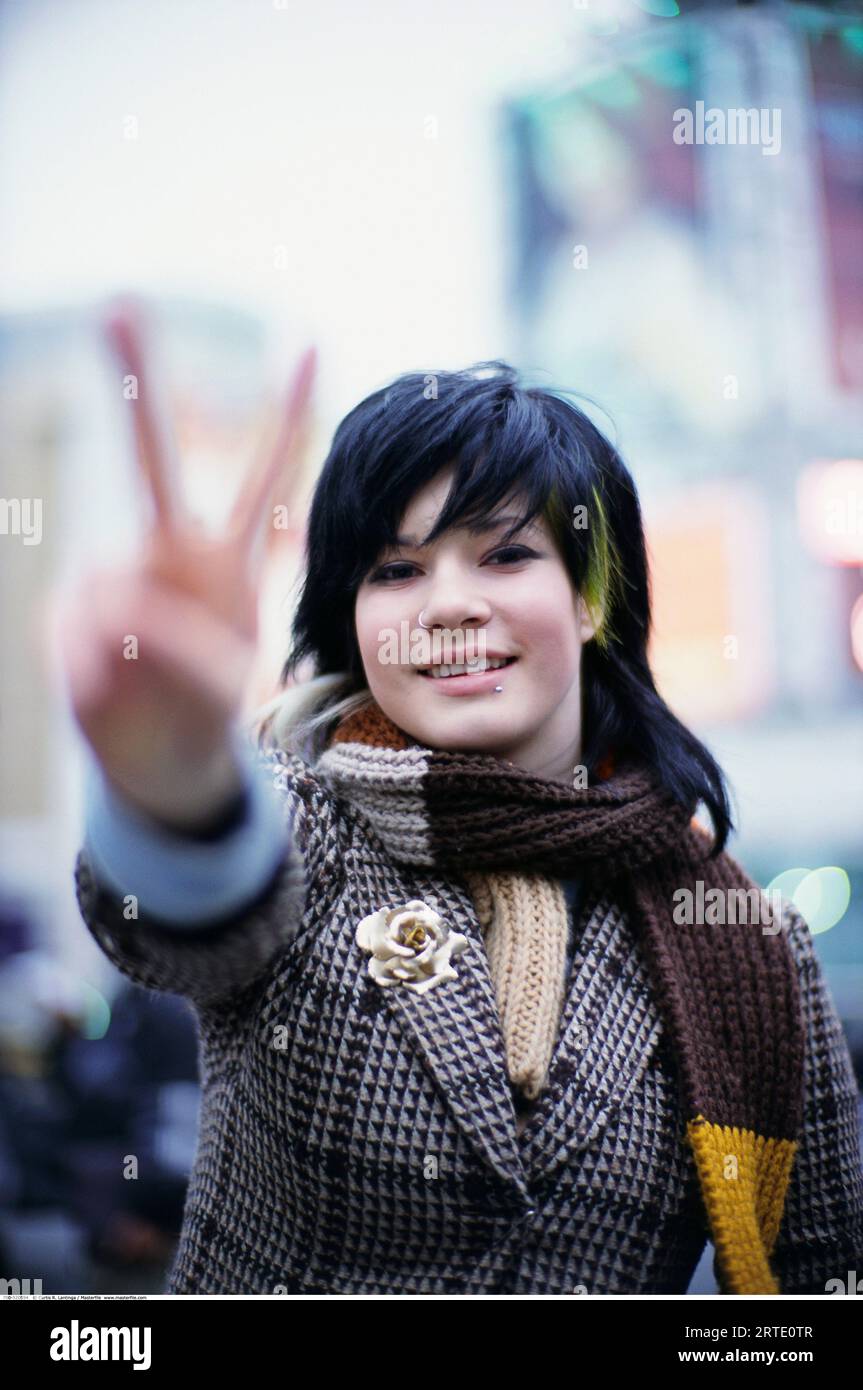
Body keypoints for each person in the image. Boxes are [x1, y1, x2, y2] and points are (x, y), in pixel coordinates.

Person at [59, 331, 863, 1295]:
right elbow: (178, 922)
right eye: (394, 571)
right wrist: (177, 770)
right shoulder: (300, 824)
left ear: (591, 597)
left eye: (507, 554)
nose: (447, 605)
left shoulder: (746, 944)